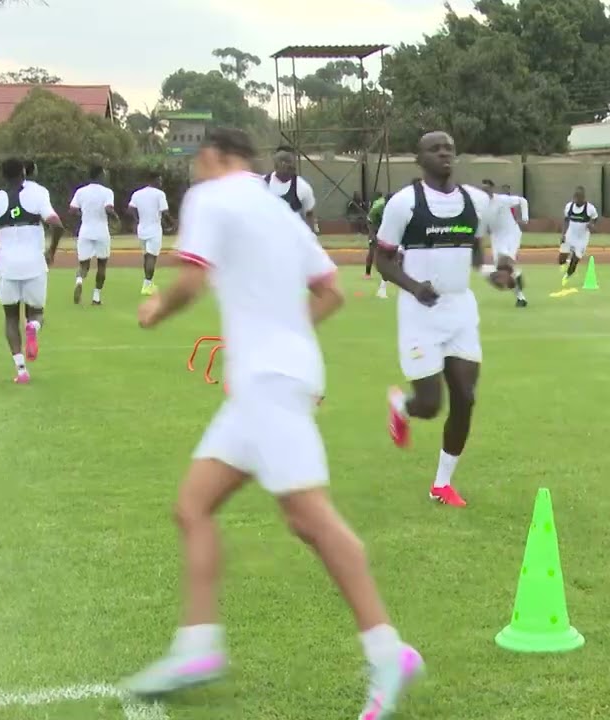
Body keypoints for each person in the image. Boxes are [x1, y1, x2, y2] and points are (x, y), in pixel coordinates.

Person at [123, 128, 424, 719]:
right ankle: (197, 647)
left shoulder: (211, 197)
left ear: (214, 156)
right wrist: (286, 341)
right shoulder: (281, 212)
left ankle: (389, 651)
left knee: (308, 517)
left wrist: (157, 309)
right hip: (276, 377)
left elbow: (189, 279)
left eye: (198, 162)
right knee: (193, 506)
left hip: (266, 381)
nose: (196, 172)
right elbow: (332, 292)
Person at [374, 131, 513, 508]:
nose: (444, 154)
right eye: (435, 149)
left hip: (460, 310)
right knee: (431, 404)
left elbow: (492, 237)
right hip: (419, 313)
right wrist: (413, 286)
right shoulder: (404, 204)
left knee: (465, 398)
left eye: (449, 148)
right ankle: (402, 407)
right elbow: (382, 259)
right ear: (419, 158)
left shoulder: (474, 201)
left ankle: (442, 484)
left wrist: (499, 269)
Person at [0, 158, 64, 383]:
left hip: (7, 265)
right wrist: (51, 251)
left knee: (10, 317)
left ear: (3, 175)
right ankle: (33, 327)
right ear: (24, 173)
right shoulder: (38, 195)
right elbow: (57, 224)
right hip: (34, 264)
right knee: (37, 312)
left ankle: (21, 370)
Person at [69, 165, 117, 305]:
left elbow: (72, 210)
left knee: (83, 265)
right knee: (102, 264)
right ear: (101, 175)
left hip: (85, 231)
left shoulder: (81, 191)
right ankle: (96, 297)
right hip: (101, 231)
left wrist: (83, 213)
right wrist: (115, 217)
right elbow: (108, 208)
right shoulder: (107, 192)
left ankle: (79, 281)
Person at [481, 179, 530, 307]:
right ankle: (520, 296)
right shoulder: (480, 205)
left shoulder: (502, 200)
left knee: (505, 263)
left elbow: (522, 201)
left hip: (511, 234)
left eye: (487, 189)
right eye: (483, 190)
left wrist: (525, 217)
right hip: (496, 238)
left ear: (492, 189)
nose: (485, 192)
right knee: (503, 270)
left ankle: (515, 275)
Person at [127, 175, 173, 296]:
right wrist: (173, 224)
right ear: (155, 180)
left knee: (147, 256)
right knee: (152, 257)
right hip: (154, 229)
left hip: (141, 229)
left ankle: (149, 283)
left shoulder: (137, 194)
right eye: (160, 180)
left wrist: (137, 220)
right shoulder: (159, 194)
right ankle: (146, 285)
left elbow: (130, 209)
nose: (161, 182)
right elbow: (165, 212)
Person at [264, 145, 318, 231]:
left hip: (293, 236)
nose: (289, 169)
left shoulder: (303, 187)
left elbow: (309, 214)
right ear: (276, 165)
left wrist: (312, 237)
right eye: (284, 162)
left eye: (291, 166)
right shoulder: (262, 183)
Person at [560, 187, 598, 287]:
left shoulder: (590, 208)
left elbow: (595, 218)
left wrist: (591, 225)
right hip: (570, 235)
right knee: (561, 259)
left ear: (583, 198)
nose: (576, 200)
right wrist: (563, 234)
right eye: (575, 197)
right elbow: (566, 220)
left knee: (575, 259)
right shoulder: (569, 206)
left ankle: (567, 276)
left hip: (582, 238)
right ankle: (566, 262)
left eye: (578, 197)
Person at [366, 192, 390, 298]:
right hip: (375, 225)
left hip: (385, 226)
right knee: (372, 247)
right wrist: (372, 235)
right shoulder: (378, 207)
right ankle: (367, 272)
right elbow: (370, 220)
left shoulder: (394, 207)